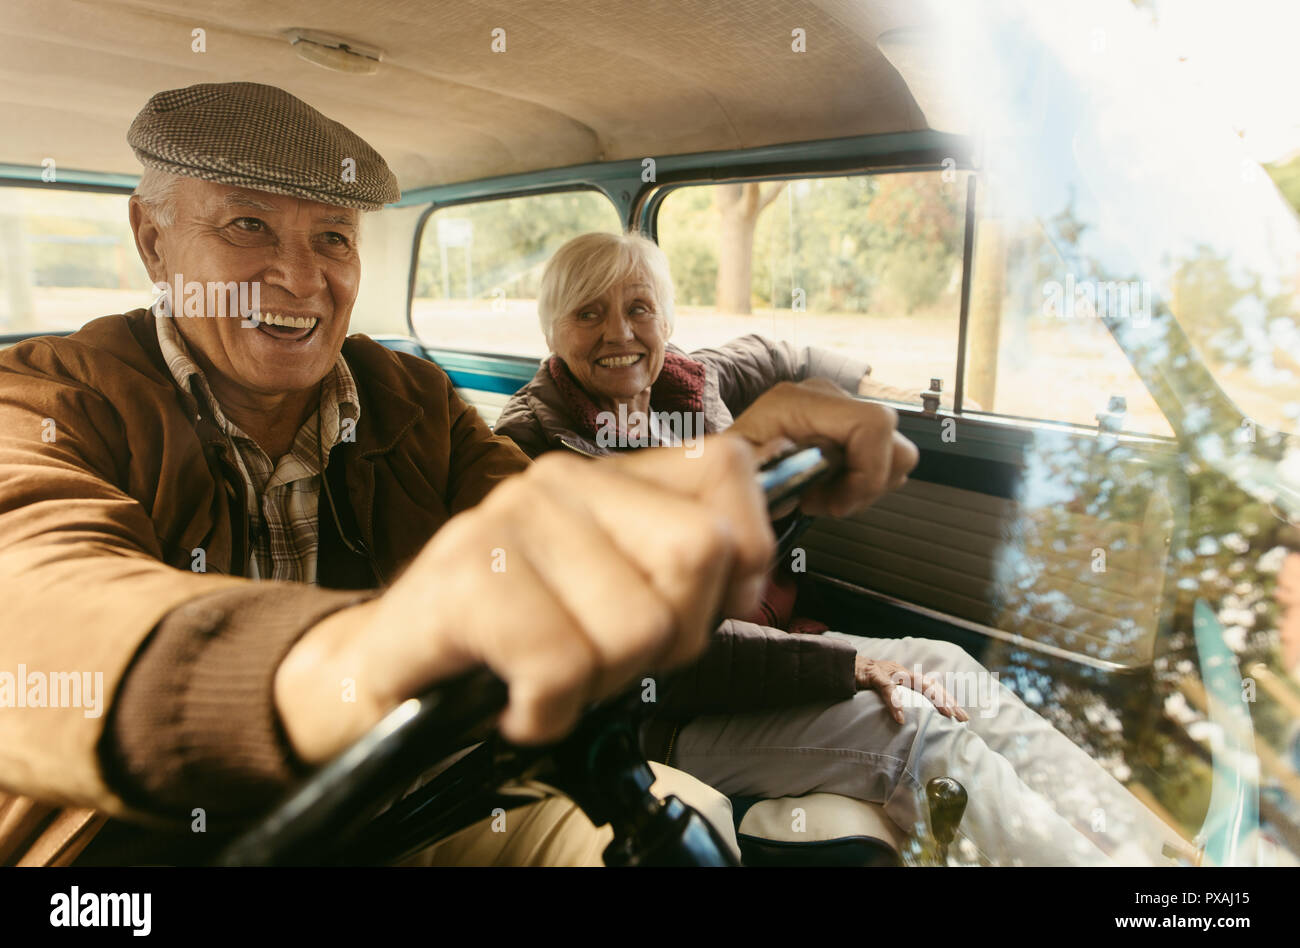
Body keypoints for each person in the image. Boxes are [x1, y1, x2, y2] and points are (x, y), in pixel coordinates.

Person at [0, 82, 915, 866]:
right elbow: (36, 610)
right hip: (138, 851)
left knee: (685, 819)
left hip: (413, 794)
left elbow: (546, 524)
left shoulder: (411, 398)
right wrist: (348, 658)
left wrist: (727, 464)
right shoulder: (48, 396)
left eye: (333, 237)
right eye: (249, 225)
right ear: (153, 242)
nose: (300, 277)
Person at [494, 230, 1197, 865]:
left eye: (638, 307)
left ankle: (1162, 862)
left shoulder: (690, 385)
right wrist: (846, 665)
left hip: (751, 653)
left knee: (947, 664)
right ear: (553, 331)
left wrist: (877, 392)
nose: (619, 331)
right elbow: (658, 655)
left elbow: (784, 355)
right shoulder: (526, 448)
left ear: (666, 321)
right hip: (652, 709)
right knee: (917, 734)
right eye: (588, 312)